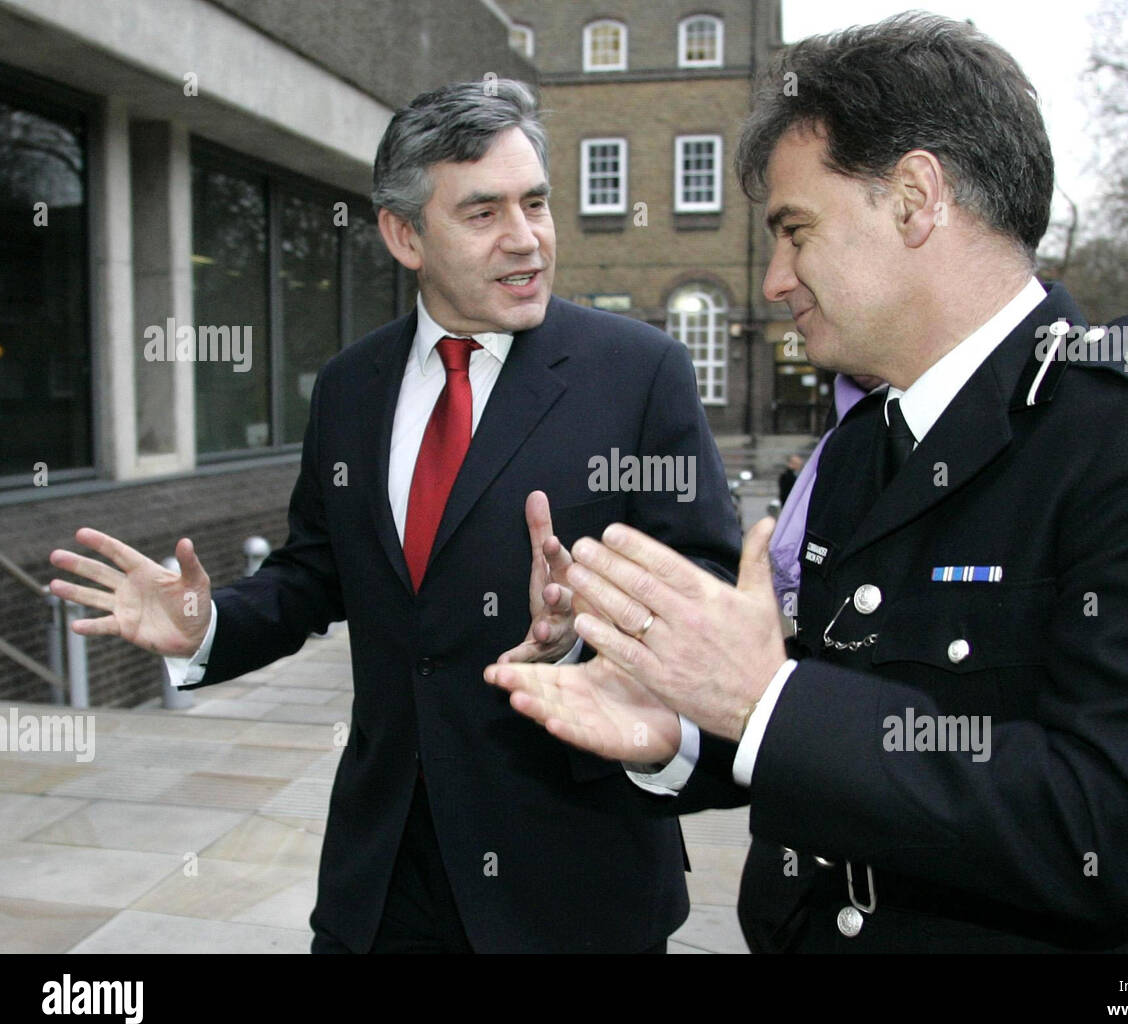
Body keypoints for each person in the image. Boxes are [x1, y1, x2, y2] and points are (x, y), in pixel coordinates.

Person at [485, 15, 1128, 953]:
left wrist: (761, 701)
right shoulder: (870, 439)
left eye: (795, 230)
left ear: (914, 200)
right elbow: (831, 712)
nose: (775, 279)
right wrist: (673, 715)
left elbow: (1111, 825)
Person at [48, 80, 741, 954]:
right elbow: (313, 573)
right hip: (381, 876)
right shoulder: (350, 386)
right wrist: (207, 624)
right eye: (483, 213)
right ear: (404, 235)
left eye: (534, 203)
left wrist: (583, 635)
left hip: (570, 881)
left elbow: (707, 590)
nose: (526, 238)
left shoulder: (639, 373)